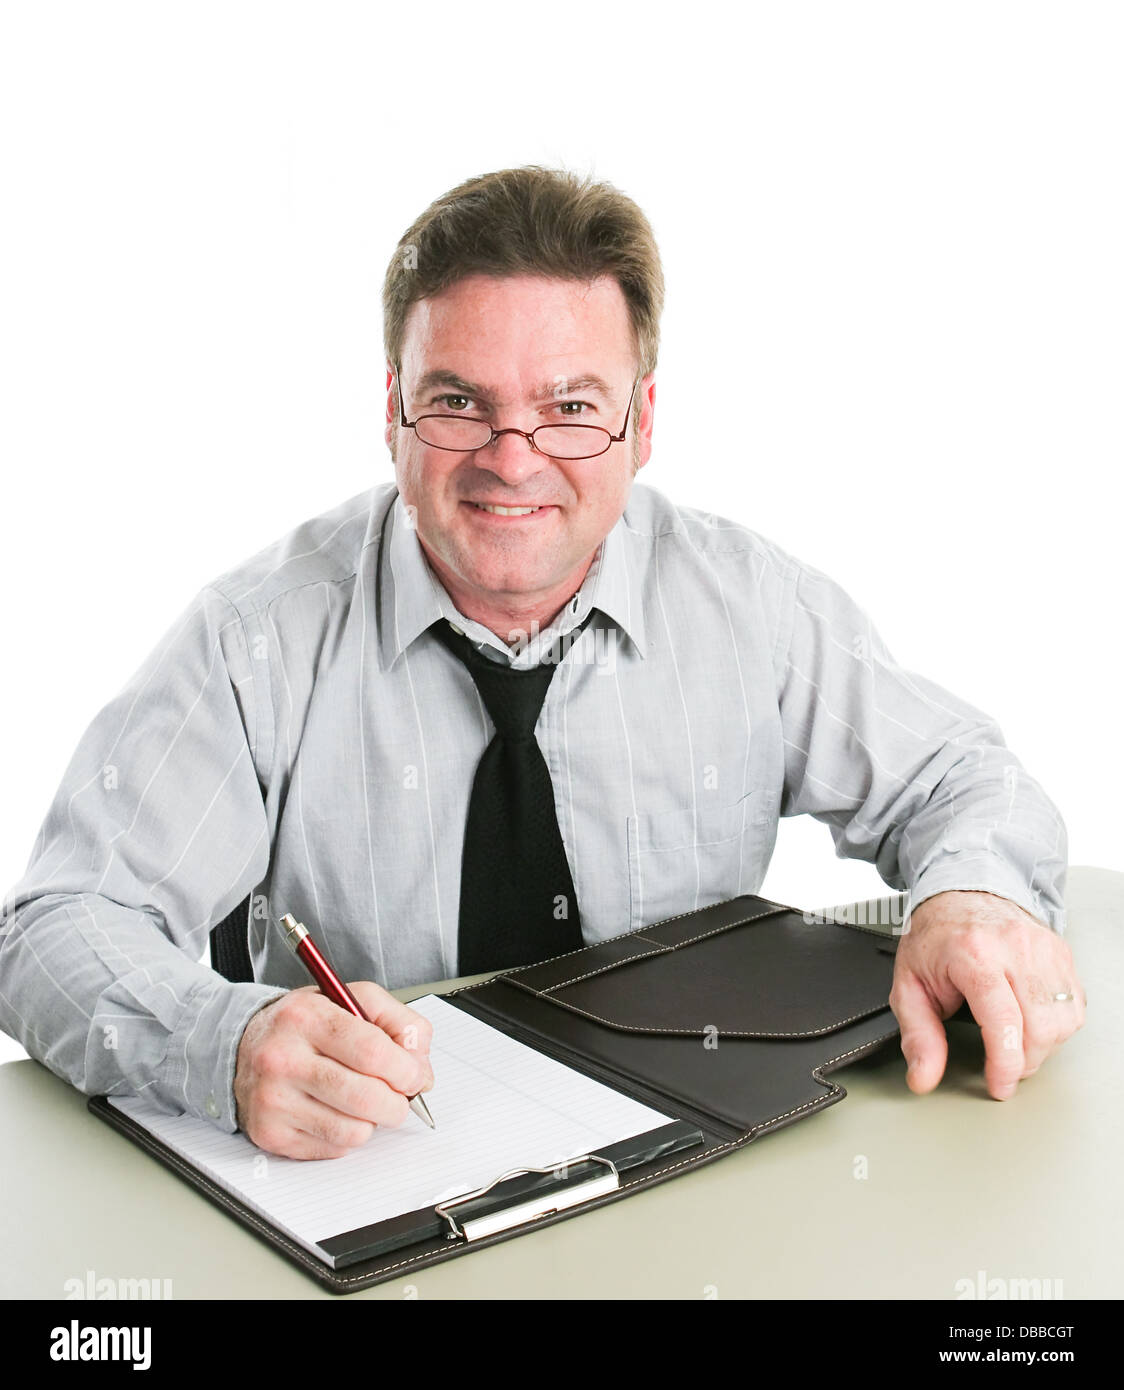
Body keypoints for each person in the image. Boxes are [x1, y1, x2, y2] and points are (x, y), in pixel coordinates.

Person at [0, 166, 1084, 1162]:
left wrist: (974, 897)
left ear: (640, 422)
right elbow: (56, 923)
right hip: (370, 1180)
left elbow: (963, 779)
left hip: (689, 1173)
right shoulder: (256, 640)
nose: (510, 459)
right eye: (459, 401)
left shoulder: (750, 604)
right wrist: (225, 1042)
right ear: (392, 412)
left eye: (568, 408)